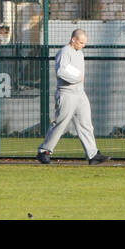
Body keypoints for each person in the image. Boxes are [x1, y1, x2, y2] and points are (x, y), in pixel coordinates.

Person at [36, 29, 109, 165]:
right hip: (67, 93)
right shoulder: (64, 52)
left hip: (80, 93)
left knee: (86, 124)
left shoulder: (79, 53)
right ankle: (43, 151)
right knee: (60, 123)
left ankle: (92, 155)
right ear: (73, 40)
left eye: (84, 43)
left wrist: (78, 80)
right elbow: (61, 71)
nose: (83, 45)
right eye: (81, 42)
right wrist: (77, 77)